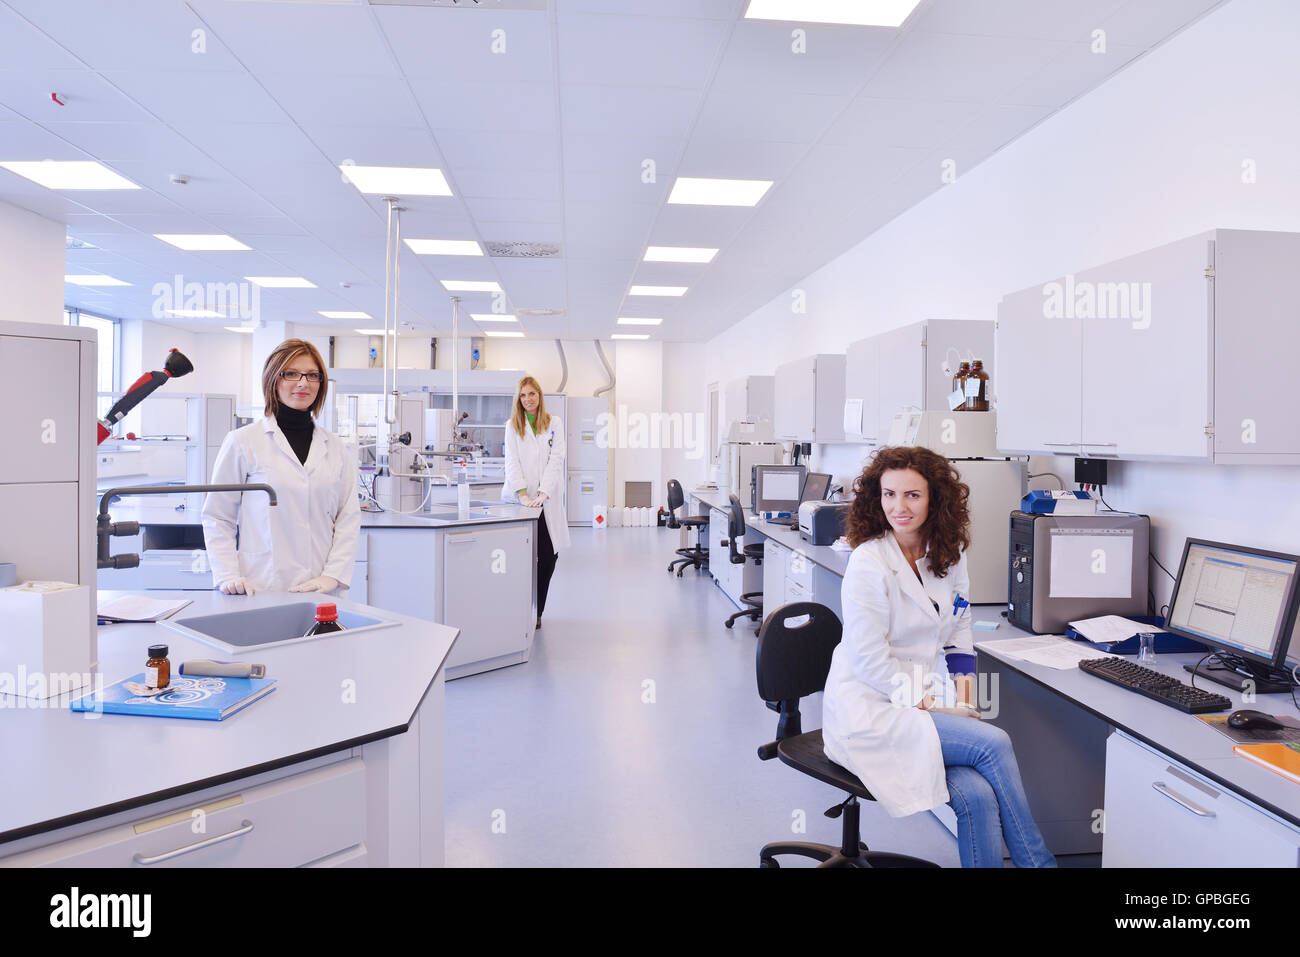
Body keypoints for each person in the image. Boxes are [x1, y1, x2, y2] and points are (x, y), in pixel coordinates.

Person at [821, 445, 1055, 868]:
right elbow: (871, 664)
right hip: (871, 709)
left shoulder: (947, 552)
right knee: (994, 744)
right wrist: (939, 706)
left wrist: (965, 698)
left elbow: (959, 630)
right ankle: (1039, 864)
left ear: (935, 498)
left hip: (928, 696)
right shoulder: (868, 563)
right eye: (889, 494)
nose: (899, 507)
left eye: (912, 495)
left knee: (978, 796)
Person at [202, 338, 360, 595]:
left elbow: (348, 517)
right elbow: (218, 516)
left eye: (312, 375)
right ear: (273, 379)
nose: (303, 383)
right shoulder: (243, 441)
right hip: (261, 584)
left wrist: (332, 575)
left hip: (322, 587)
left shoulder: (334, 446)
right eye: (291, 374)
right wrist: (227, 575)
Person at [501, 375, 569, 627]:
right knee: (520, 558)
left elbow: (556, 458)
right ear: (518, 400)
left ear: (539, 395)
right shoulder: (512, 425)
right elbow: (512, 462)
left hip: (545, 501)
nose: (528, 399)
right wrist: (523, 495)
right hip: (520, 500)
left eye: (532, 394)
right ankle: (519, 608)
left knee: (549, 556)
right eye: (523, 395)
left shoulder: (554, 423)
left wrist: (543, 493)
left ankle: (537, 610)